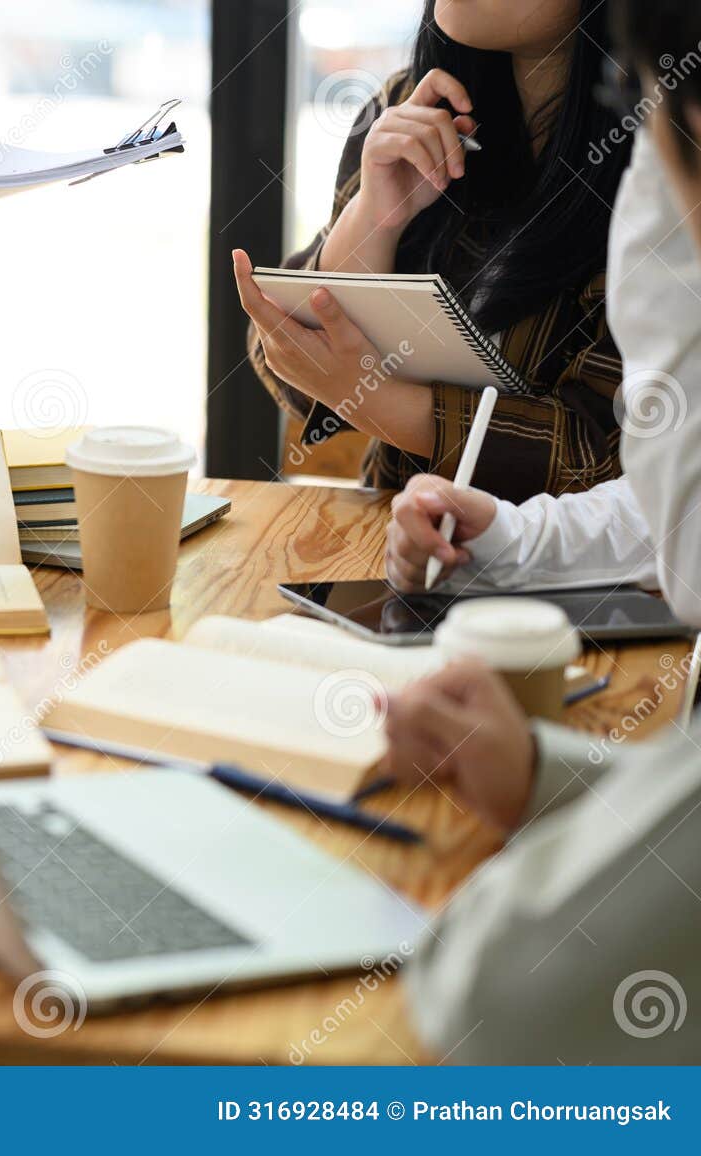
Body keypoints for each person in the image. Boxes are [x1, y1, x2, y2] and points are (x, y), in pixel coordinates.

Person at [380, 0, 701, 1062]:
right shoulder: (419, 114)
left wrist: (394, 409)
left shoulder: (630, 173)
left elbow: (500, 999)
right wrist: (514, 542)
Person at [233, 0, 630, 503]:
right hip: (394, 536)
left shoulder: (665, 154)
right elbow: (292, 367)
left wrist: (372, 399)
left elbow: (606, 460)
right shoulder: (412, 105)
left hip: (552, 556)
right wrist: (374, 218)